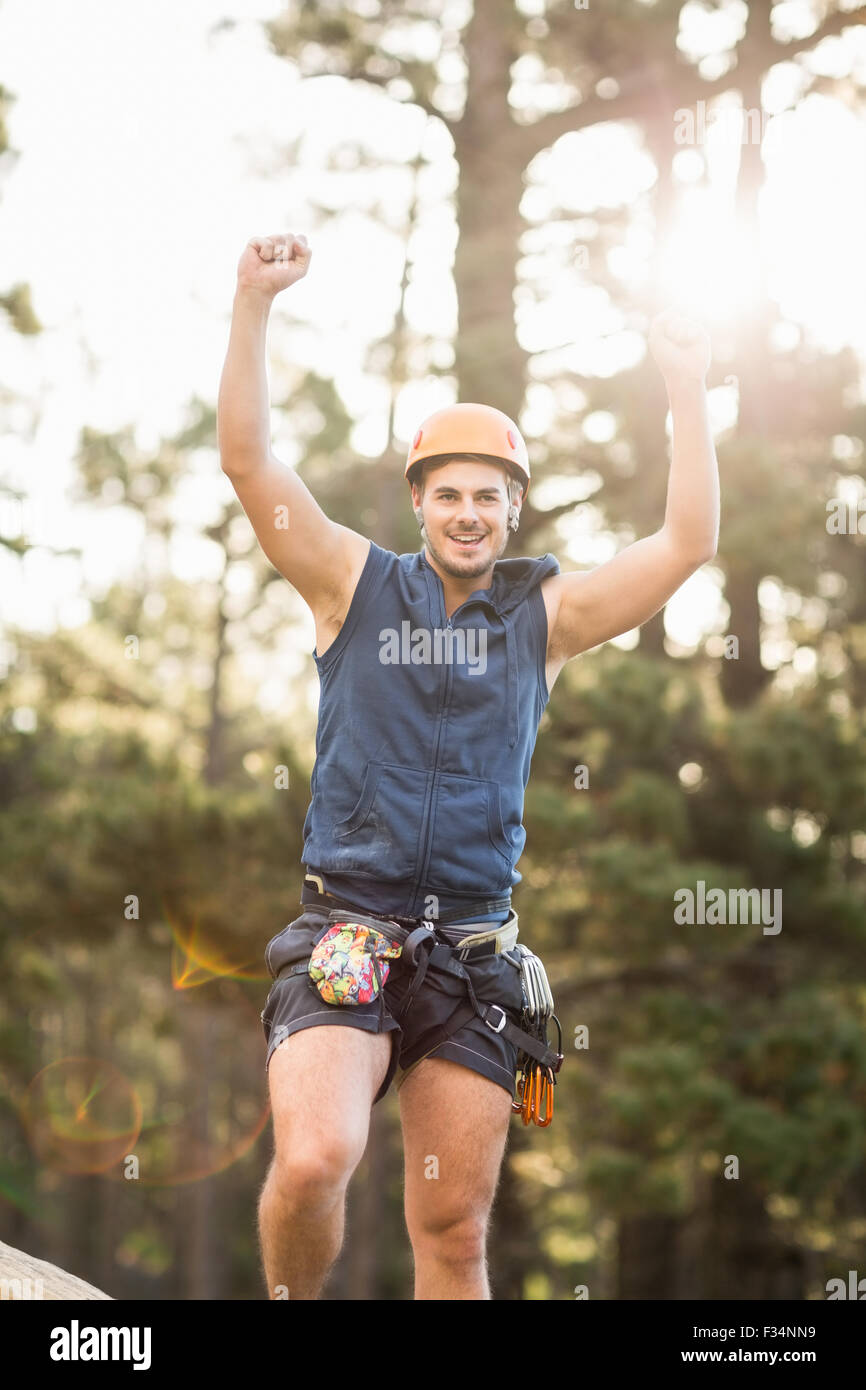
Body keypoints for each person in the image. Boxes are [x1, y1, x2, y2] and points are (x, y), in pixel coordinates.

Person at [217, 231, 719, 1301]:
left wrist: (683, 386)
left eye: (488, 498)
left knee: (452, 1230)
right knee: (312, 1161)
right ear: (420, 502)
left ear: (512, 510)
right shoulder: (348, 585)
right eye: (449, 494)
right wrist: (253, 303)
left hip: (474, 959)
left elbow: (683, 545)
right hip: (347, 929)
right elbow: (250, 463)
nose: (467, 513)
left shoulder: (549, 616)